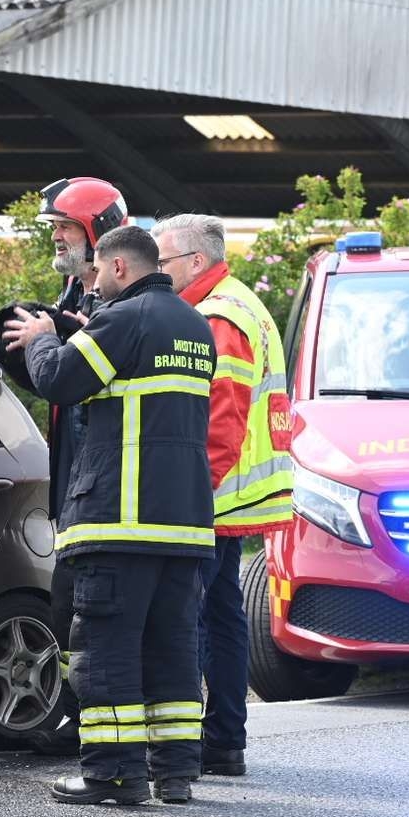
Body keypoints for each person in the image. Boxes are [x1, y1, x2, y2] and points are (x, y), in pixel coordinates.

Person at [3, 226, 216, 805]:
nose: (91, 283)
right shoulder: (194, 326)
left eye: (96, 271)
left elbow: (59, 381)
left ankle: (112, 774)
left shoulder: (122, 319)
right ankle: (175, 772)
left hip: (120, 521)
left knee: (106, 651)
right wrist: (80, 334)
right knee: (172, 649)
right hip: (185, 525)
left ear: (119, 268)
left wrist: (44, 337)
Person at [0, 177, 130, 756]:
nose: (58, 239)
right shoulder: (75, 295)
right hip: (74, 474)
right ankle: (75, 716)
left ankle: (104, 737)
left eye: (66, 229)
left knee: (97, 611)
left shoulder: (117, 304)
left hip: (109, 482)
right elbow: (46, 372)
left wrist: (51, 335)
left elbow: (75, 365)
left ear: (99, 233)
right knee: (69, 604)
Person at [152, 214, 295, 777]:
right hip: (241, 494)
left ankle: (190, 745)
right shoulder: (239, 302)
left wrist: (194, 493)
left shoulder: (217, 315)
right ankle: (223, 740)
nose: (157, 273)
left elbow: (221, 420)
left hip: (217, 496)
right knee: (221, 615)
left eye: (162, 262)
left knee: (186, 619)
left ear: (193, 261)